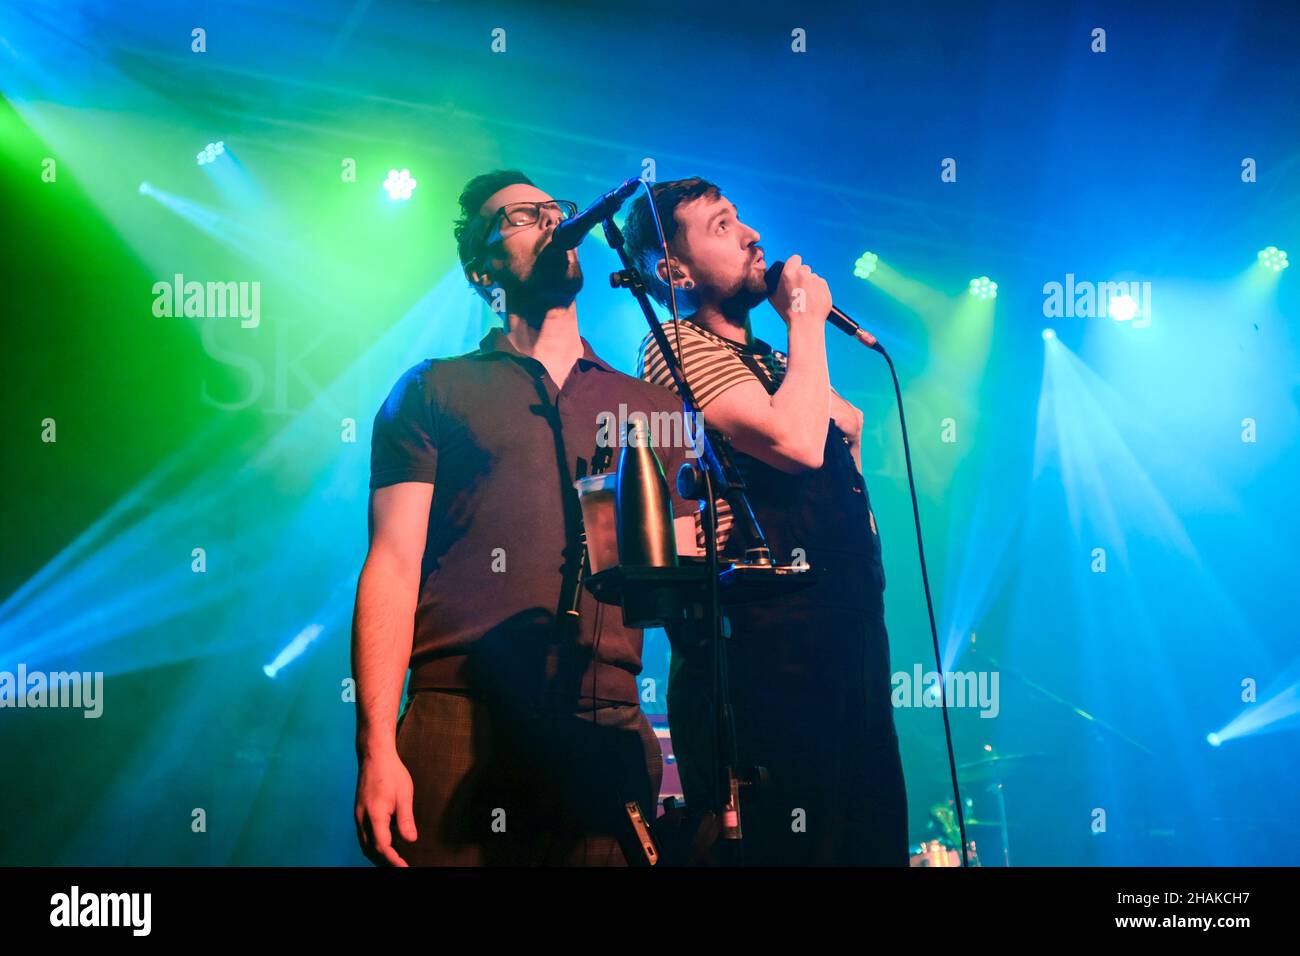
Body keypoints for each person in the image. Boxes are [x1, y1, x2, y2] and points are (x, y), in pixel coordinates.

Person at [351, 170, 697, 866]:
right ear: (484, 270)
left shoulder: (656, 406)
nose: (548, 222)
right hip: (460, 711)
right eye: (520, 217)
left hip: (605, 719)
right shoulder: (433, 389)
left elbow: (689, 593)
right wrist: (378, 748)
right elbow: (391, 564)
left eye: (553, 210)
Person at [622, 177, 908, 865]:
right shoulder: (675, 346)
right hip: (764, 668)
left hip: (847, 647)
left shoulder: (773, 362)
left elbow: (843, 436)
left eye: (744, 219)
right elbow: (797, 443)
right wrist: (806, 320)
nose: (752, 234)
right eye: (722, 226)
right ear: (674, 270)